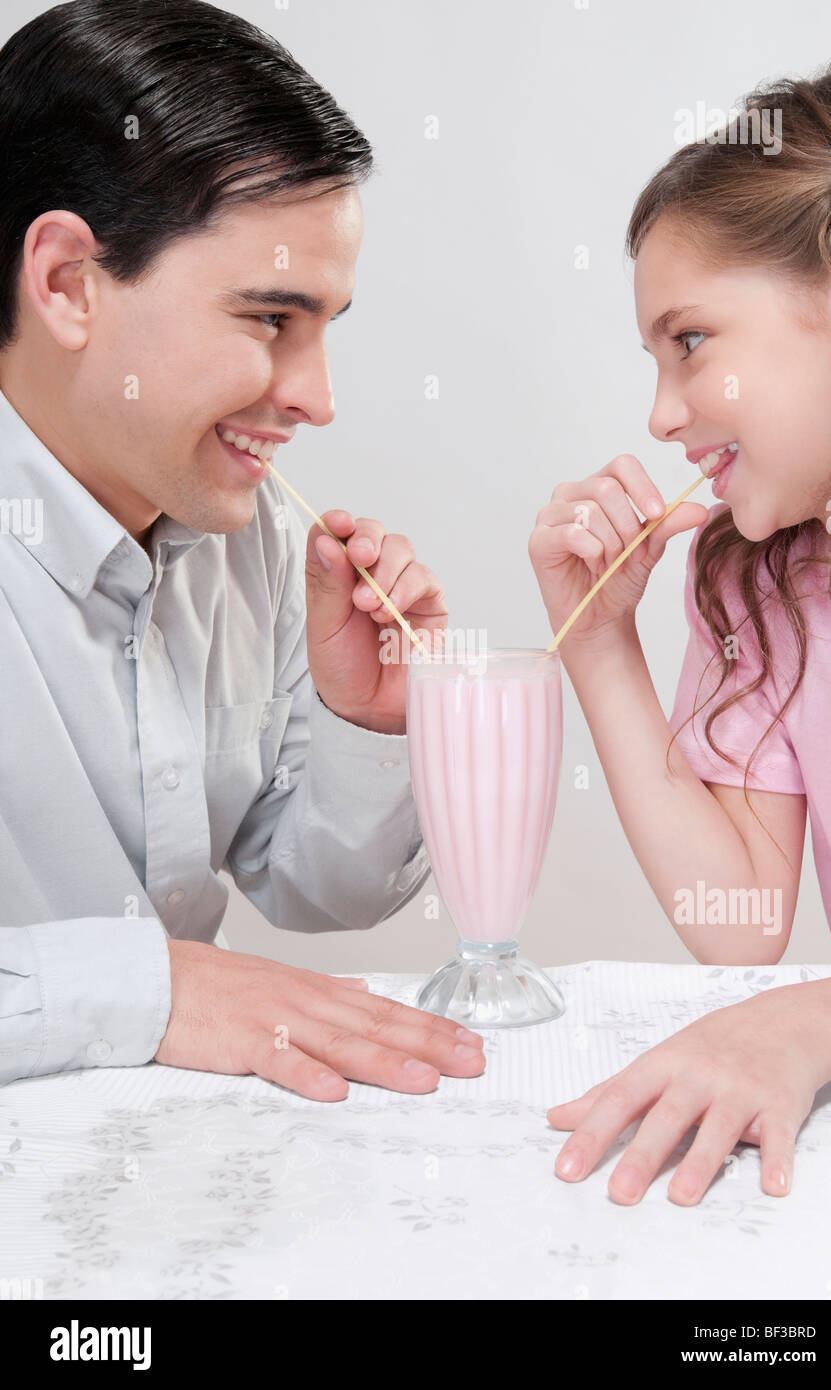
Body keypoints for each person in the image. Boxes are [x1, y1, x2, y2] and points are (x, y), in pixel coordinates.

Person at [0, 0, 486, 1094]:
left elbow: (316, 890)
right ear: (69, 281)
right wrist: (154, 988)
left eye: (325, 327)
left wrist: (364, 721)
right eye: (270, 319)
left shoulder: (242, 531)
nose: (315, 398)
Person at [530, 37, 831, 1206]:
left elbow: (790, 995)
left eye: (689, 341)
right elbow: (736, 926)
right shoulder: (766, 581)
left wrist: (818, 1023)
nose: (661, 414)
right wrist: (595, 639)